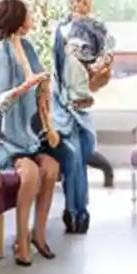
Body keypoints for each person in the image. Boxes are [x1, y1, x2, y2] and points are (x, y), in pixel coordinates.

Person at [0, 0, 62, 265]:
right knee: (29, 174)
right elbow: (0, 100)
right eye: (28, 14)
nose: (31, 18)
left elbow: (42, 85)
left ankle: (38, 234)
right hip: (6, 139)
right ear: (17, 20)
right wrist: (25, 86)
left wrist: (43, 86)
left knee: (51, 168)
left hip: (28, 137)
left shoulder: (28, 47)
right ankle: (20, 241)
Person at [62, 0, 116, 187]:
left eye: (84, 2)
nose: (79, 5)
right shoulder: (63, 26)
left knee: (78, 138)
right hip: (64, 84)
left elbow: (105, 49)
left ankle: (101, 171)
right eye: (76, 1)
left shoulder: (96, 27)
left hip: (83, 78)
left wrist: (98, 66)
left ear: (89, 5)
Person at [51, 33, 97, 234]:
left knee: (75, 161)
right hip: (60, 122)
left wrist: (70, 104)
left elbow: (85, 100)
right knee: (75, 163)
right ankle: (76, 212)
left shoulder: (72, 66)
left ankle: (76, 212)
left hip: (71, 122)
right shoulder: (57, 67)